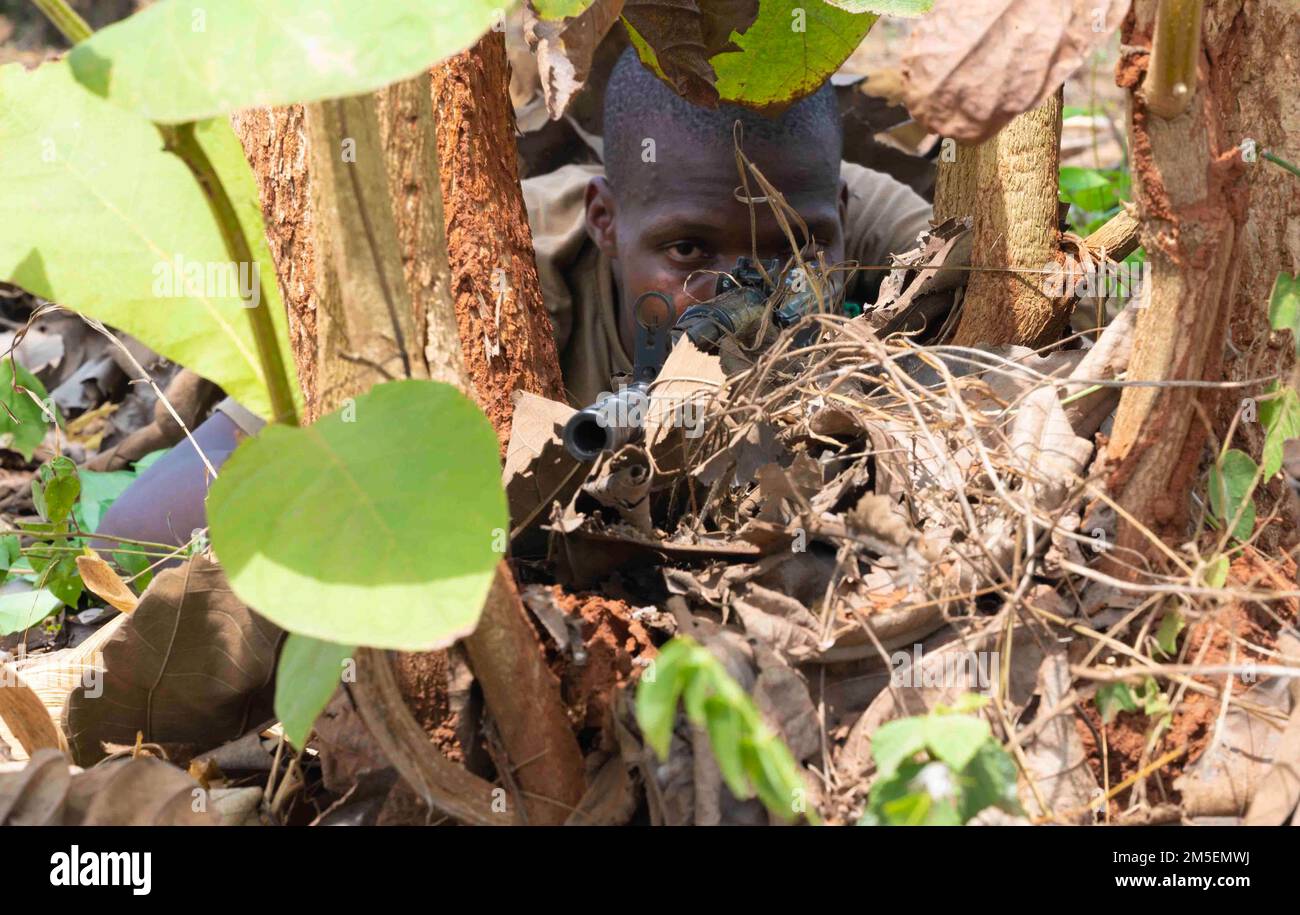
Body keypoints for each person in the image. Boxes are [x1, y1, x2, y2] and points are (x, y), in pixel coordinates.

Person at [95, 49, 932, 547]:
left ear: (839, 222)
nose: (748, 296)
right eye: (688, 252)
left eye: (790, 250)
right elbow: (134, 533)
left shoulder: (847, 215)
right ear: (607, 222)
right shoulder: (499, 273)